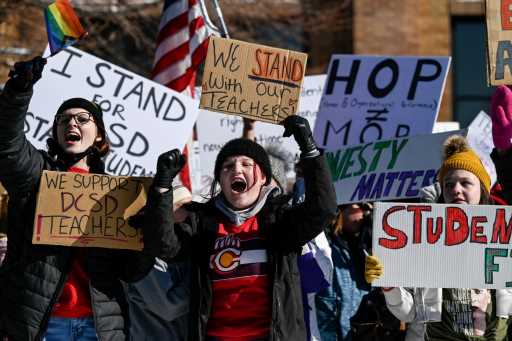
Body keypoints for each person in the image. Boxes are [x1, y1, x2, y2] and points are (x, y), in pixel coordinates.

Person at [0, 57, 169, 340]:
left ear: (99, 133)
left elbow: (132, 271)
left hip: (99, 328)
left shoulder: (119, 194)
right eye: (63, 120)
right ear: (55, 132)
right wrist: (18, 90)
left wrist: (147, 229)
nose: (71, 124)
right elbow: (6, 143)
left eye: (82, 119)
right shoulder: (36, 174)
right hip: (40, 324)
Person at [143, 115, 337, 341]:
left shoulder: (281, 220)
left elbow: (323, 209)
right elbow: (165, 246)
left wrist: (309, 149)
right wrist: (162, 189)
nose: (236, 169)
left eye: (246, 164)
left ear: (264, 177)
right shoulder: (201, 223)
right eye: (227, 166)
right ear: (220, 181)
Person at [366, 133, 512, 340]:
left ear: (482, 189)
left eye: (465, 183)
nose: (456, 190)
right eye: (449, 184)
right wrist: (390, 284)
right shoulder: (426, 242)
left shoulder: (504, 238)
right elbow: (410, 313)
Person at [124, 183, 194, 341]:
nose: (190, 213)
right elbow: (169, 306)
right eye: (182, 205)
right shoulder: (144, 253)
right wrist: (203, 274)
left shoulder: (186, 248)